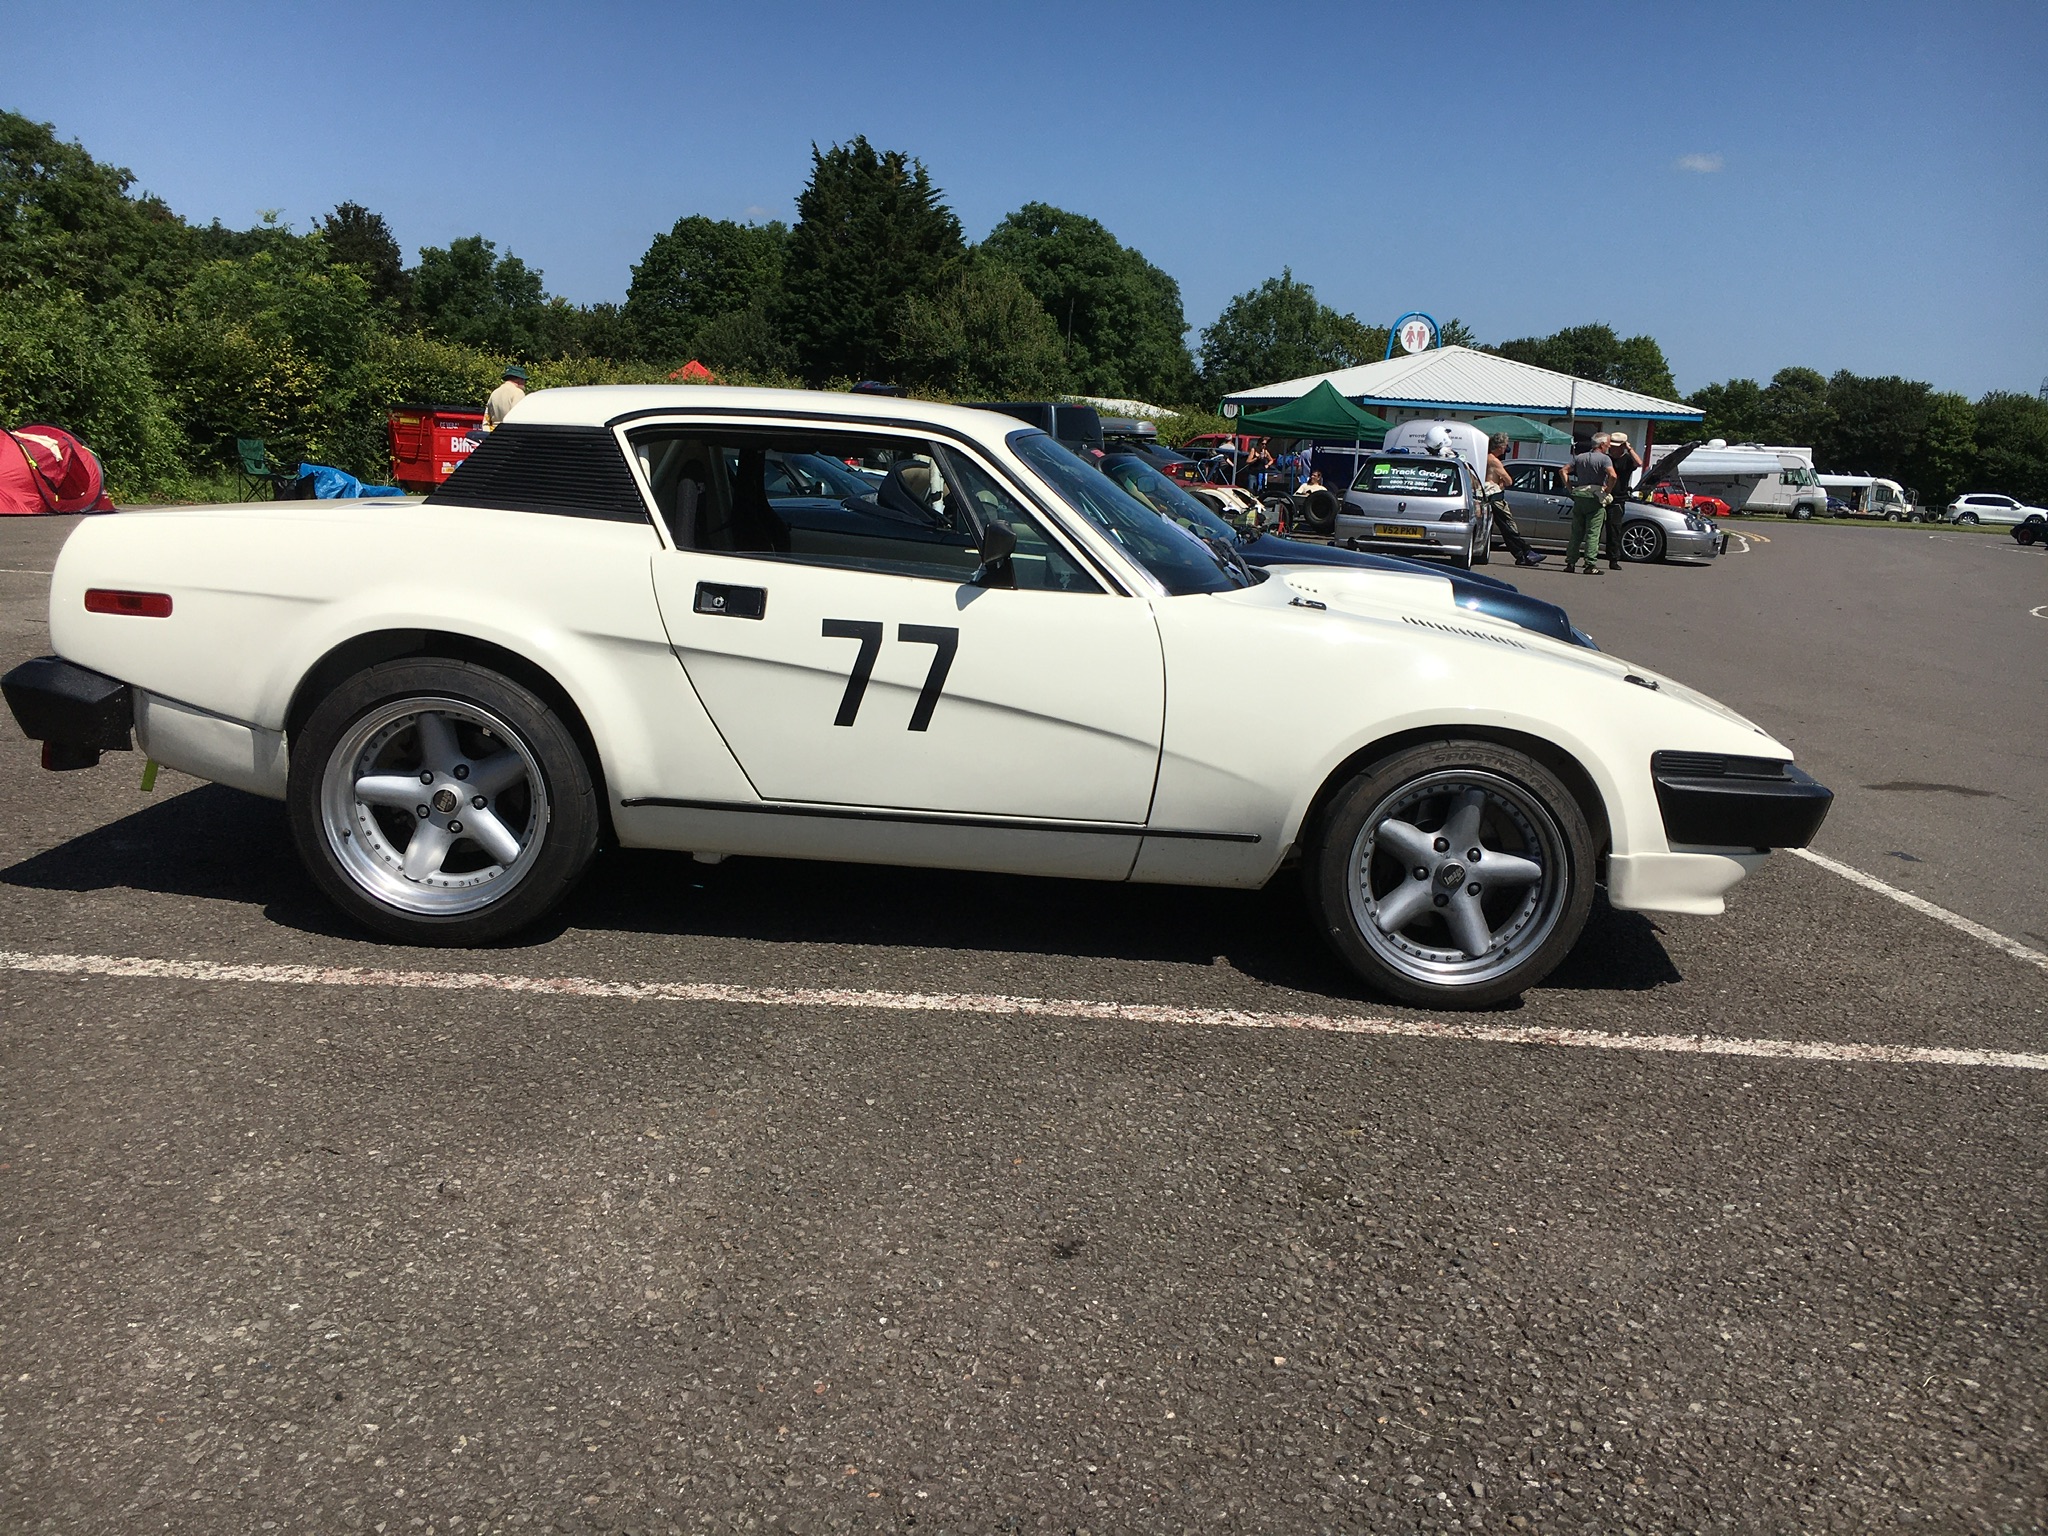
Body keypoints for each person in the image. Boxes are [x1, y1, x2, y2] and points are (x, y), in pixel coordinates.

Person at [1484, 433, 1545, 566]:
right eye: (1505, 446)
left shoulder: (1484, 457)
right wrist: (1501, 482)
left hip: (1489, 496)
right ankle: (1527, 552)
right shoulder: (1494, 461)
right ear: (1500, 447)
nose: (1506, 448)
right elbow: (1509, 480)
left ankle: (1521, 555)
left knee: (1505, 528)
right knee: (1509, 526)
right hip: (1495, 497)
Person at [1563, 432, 1615, 574]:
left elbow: (1563, 470)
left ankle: (1570, 563)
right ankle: (1590, 564)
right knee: (1593, 533)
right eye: (1608, 443)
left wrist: (1570, 488)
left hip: (1580, 495)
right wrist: (1608, 490)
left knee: (1576, 532)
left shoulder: (1580, 457)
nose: (1609, 446)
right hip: (1595, 497)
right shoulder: (1605, 459)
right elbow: (1613, 475)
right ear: (1602, 444)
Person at [1601, 431, 1640, 570]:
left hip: (1618, 499)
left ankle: (1613, 559)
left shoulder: (1627, 460)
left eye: (1617, 446)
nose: (1614, 448)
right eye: (1612, 446)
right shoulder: (1605, 458)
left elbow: (1639, 463)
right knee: (1594, 528)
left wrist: (1630, 449)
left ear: (1622, 446)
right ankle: (1590, 556)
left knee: (1614, 530)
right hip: (1601, 496)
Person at [484, 365, 528, 430]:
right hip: (509, 433)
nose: (525, 383)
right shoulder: (518, 393)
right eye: (524, 380)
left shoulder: (494, 393)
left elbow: (486, 419)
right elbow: (518, 418)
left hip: (494, 434)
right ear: (518, 379)